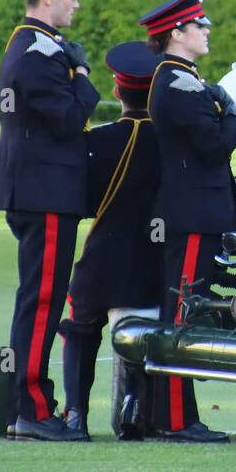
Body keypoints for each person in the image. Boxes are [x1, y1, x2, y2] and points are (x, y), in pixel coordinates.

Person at [0, 0, 101, 442]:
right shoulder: (38, 53)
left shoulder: (40, 48)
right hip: (45, 193)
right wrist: (79, 71)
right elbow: (73, 117)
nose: (76, 2)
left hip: (42, 189)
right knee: (42, 305)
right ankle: (32, 408)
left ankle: (27, 408)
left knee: (41, 302)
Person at [137, 0, 236, 443]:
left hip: (194, 211)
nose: (205, 32)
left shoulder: (185, 79)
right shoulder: (178, 82)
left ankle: (171, 414)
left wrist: (224, 110)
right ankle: (175, 420)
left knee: (185, 310)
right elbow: (215, 143)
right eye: (199, 25)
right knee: (182, 313)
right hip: (191, 213)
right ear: (176, 32)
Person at [59, 41, 163, 440]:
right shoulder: (170, 142)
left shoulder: (97, 141)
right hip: (149, 264)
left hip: (101, 258)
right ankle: (132, 410)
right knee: (142, 334)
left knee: (81, 329)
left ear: (117, 92)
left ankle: (75, 415)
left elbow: (84, 203)